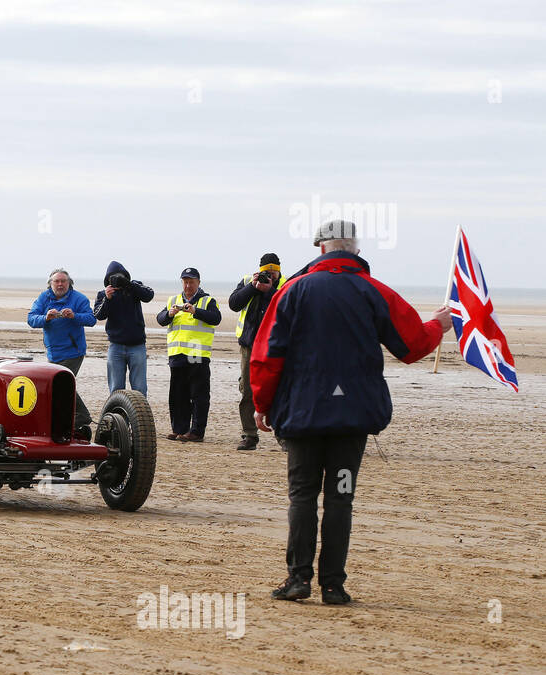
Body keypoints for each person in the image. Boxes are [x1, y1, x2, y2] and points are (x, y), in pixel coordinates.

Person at [252, 220, 451, 606]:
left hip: (302, 416)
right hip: (351, 418)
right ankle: (333, 585)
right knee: (341, 497)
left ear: (320, 249)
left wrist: (263, 404)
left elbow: (267, 355)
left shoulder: (293, 290)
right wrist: (437, 325)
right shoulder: (373, 290)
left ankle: (298, 580)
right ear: (354, 250)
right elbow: (410, 346)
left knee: (303, 496)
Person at [26, 268, 96, 437]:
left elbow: (91, 319)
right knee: (58, 385)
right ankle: (66, 418)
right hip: (53, 353)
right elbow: (31, 319)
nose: (60, 284)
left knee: (62, 384)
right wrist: (45, 318)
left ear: (69, 283)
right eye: (56, 281)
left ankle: (81, 416)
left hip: (74, 351)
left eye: (63, 281)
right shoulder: (44, 298)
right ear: (50, 284)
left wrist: (75, 316)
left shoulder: (78, 298)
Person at [229, 253, 287, 451]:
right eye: (266, 272)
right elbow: (234, 303)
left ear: (279, 271)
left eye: (273, 272)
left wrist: (270, 291)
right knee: (247, 390)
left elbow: (287, 306)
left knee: (279, 391)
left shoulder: (286, 284)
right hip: (249, 345)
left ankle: (283, 436)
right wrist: (252, 288)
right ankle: (249, 435)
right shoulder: (248, 281)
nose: (270, 276)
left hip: (275, 347)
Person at [156, 268, 221, 442]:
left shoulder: (207, 300)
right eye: (185, 281)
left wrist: (195, 311)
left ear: (198, 283)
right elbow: (160, 319)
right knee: (178, 394)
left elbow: (216, 318)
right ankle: (180, 429)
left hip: (196, 351)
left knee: (198, 394)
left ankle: (196, 431)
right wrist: (169, 313)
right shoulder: (174, 300)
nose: (187, 285)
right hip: (177, 353)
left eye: (191, 281)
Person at [92, 260, 154, 395]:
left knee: (140, 388)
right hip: (115, 346)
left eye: (120, 277)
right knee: (116, 388)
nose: (117, 280)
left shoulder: (134, 288)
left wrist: (129, 284)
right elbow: (98, 315)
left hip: (137, 346)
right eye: (113, 278)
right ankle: (117, 415)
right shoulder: (103, 294)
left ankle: (139, 415)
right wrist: (107, 298)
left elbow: (149, 295)